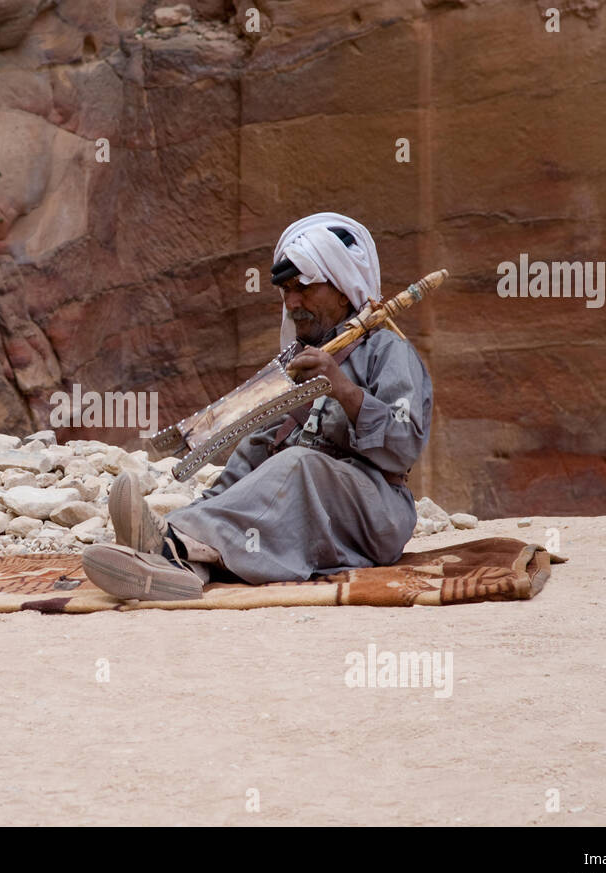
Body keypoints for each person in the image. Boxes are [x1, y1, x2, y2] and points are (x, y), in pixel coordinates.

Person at [82, 212, 433, 600]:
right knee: (273, 458)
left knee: (298, 463)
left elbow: (405, 447)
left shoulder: (388, 351)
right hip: (301, 519)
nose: (293, 301)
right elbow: (259, 454)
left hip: (375, 514)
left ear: (341, 288)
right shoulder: (294, 366)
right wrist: (209, 504)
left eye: (304, 288)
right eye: (286, 291)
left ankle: (169, 543)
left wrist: (343, 389)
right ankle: (179, 565)